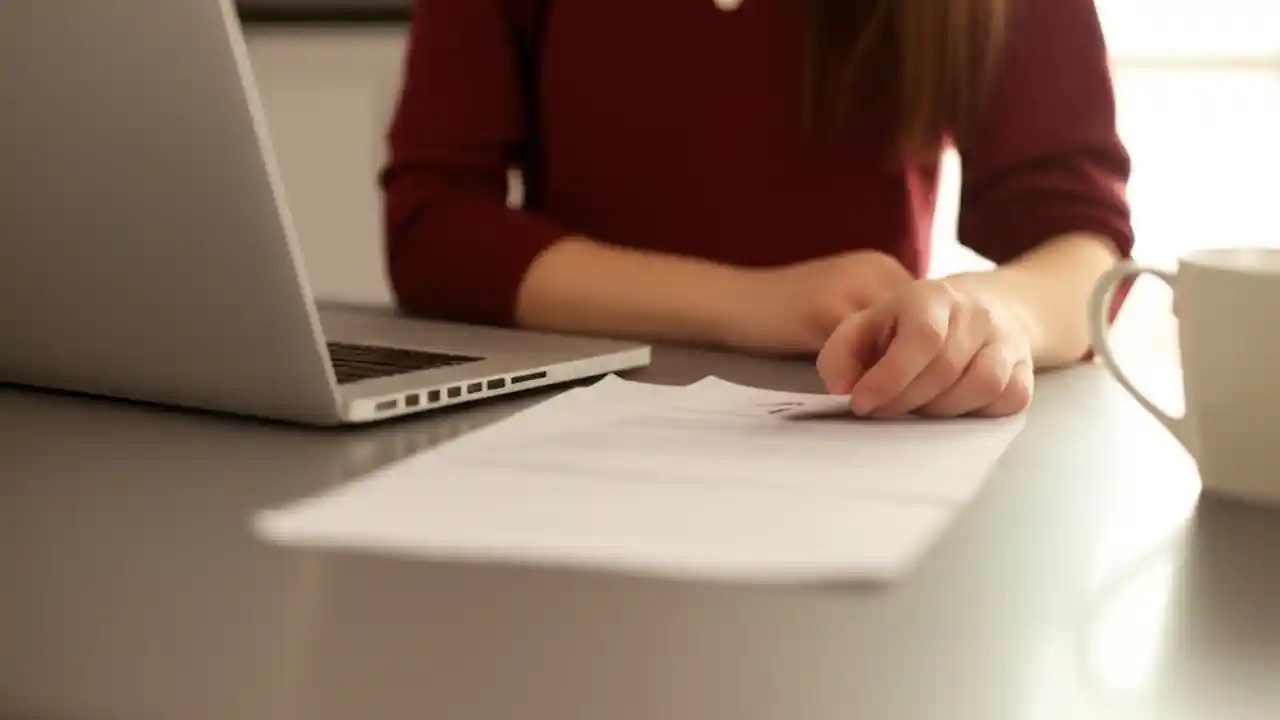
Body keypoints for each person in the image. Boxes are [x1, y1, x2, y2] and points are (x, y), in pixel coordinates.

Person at [380, 0, 1134, 419]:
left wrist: (991, 318)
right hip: (561, 431)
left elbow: (1085, 253)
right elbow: (433, 229)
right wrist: (757, 304)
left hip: (850, 441)